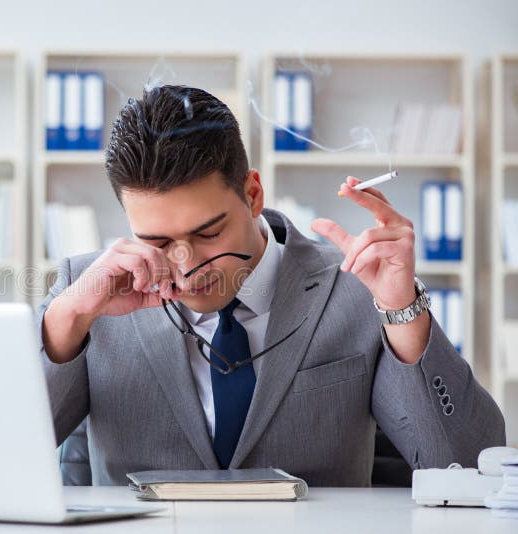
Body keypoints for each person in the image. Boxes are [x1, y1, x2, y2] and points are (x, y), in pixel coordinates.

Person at [37, 85, 505, 486]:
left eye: (208, 233)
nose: (185, 265)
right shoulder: (86, 292)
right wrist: (67, 321)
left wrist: (403, 310)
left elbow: (470, 468)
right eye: (157, 241)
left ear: (253, 194)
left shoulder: (356, 289)